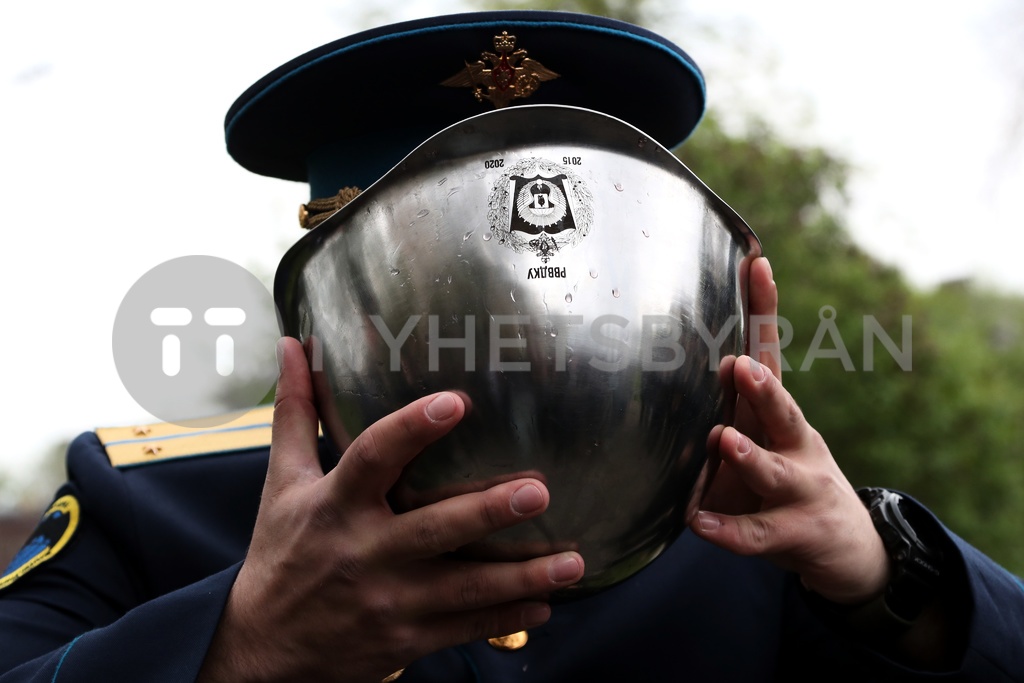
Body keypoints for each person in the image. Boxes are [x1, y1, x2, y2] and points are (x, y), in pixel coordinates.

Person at [2, 11, 1023, 682]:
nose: (535, 325)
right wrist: (240, 643)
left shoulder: (755, 534)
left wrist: (890, 573)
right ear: (328, 304)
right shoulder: (146, 503)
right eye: (449, 280)